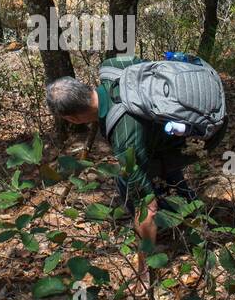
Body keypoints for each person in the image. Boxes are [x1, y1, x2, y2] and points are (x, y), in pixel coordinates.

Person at [45, 55, 221, 261]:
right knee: (153, 161)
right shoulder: (112, 67)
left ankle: (189, 222)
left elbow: (146, 206)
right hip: (207, 93)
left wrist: (143, 266)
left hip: (203, 134)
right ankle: (192, 208)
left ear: (72, 118)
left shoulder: (124, 139)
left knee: (126, 184)